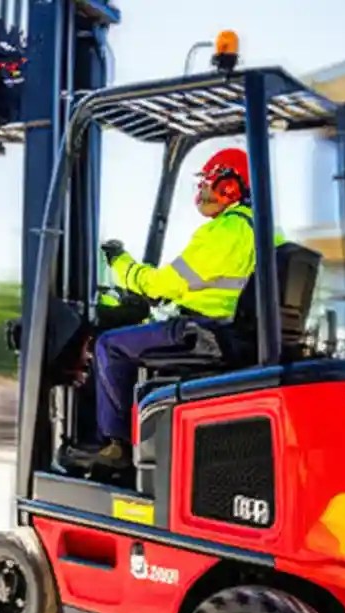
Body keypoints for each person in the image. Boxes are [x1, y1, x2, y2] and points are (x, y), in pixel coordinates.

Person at [69, 147, 284, 469]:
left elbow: (162, 284)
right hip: (235, 333)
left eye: (208, 182)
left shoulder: (226, 230)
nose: (202, 190)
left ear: (230, 187)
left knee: (109, 345)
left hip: (206, 334)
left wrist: (120, 262)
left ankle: (117, 448)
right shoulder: (268, 231)